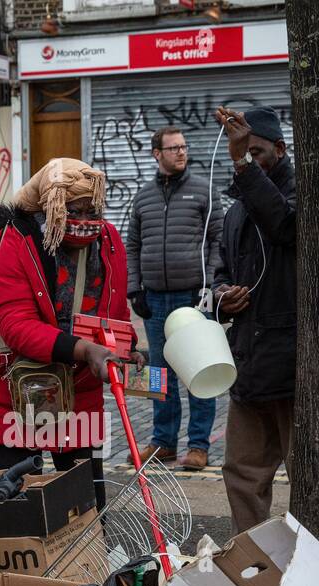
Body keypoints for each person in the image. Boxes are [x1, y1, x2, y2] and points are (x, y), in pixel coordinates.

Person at [0, 158, 139, 506]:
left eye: (93, 211)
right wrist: (86, 350)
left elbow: (114, 308)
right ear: (50, 208)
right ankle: (22, 558)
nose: (85, 222)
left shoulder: (110, 239)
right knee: (23, 494)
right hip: (10, 386)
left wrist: (128, 345)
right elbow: (17, 326)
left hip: (77, 387)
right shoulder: (16, 239)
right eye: (74, 211)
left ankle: (89, 557)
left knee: (86, 493)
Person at [211, 105, 298, 534]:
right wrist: (221, 297)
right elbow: (219, 272)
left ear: (280, 150)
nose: (247, 156)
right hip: (248, 362)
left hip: (293, 366)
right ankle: (252, 569)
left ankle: (310, 573)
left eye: (256, 151)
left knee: (308, 479)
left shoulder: (300, 194)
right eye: (244, 151)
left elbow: (284, 225)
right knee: (242, 475)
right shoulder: (235, 210)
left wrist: (243, 164)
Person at [124, 126, 224, 471]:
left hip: (193, 297)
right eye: (173, 148)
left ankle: (198, 445)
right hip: (154, 299)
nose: (181, 152)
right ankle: (163, 441)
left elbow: (218, 241)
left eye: (183, 146)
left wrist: (209, 284)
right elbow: (133, 246)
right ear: (157, 154)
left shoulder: (203, 191)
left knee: (198, 370)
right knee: (157, 375)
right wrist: (134, 289)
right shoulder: (143, 197)